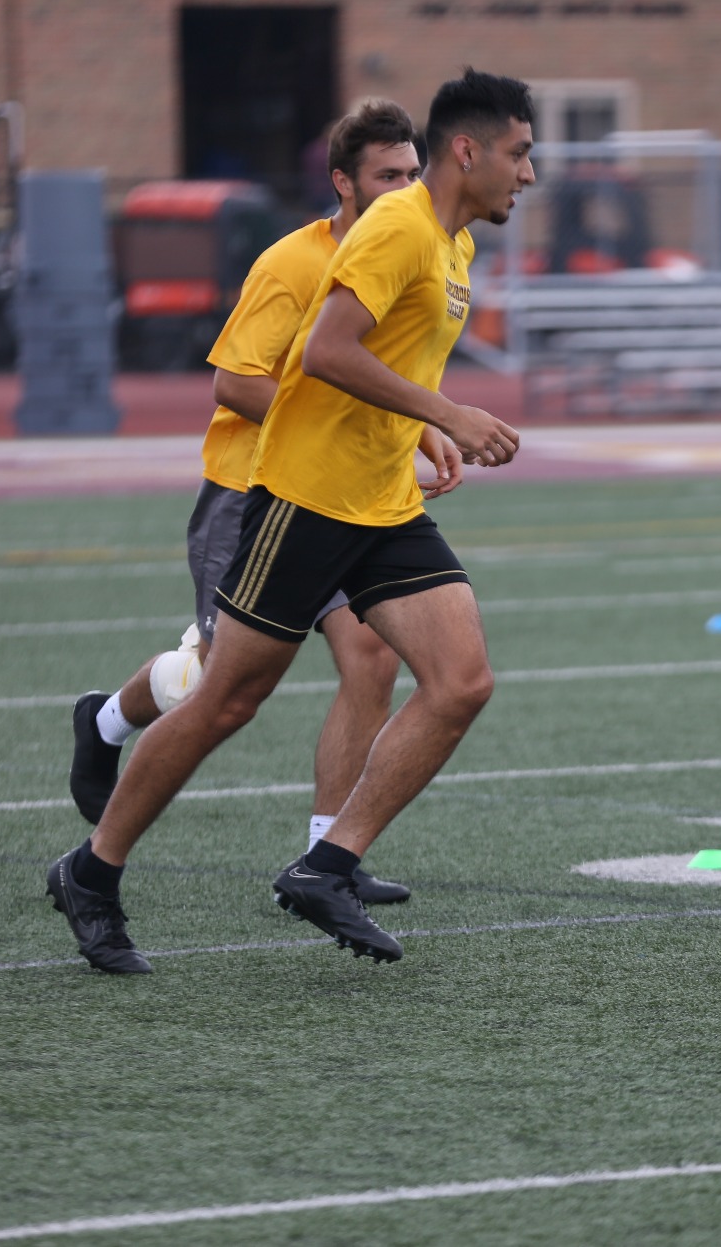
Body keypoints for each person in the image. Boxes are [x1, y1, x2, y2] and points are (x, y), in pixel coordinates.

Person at [47, 69, 532, 973]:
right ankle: (91, 869)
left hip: (382, 502)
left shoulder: (454, 245)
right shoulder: (397, 224)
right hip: (305, 496)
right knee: (227, 696)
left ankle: (326, 863)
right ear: (469, 150)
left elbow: (381, 360)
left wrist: (424, 424)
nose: (529, 172)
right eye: (520, 151)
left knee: (461, 681)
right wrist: (453, 413)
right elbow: (327, 352)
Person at [68, 99, 431, 906]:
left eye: (413, 174)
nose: (406, 188)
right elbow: (235, 380)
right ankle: (103, 722)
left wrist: (412, 428)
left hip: (341, 500)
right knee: (212, 688)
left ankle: (327, 857)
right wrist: (330, 432)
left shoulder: (415, 253)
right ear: (342, 181)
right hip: (253, 493)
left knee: (372, 657)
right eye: (387, 175)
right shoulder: (292, 263)